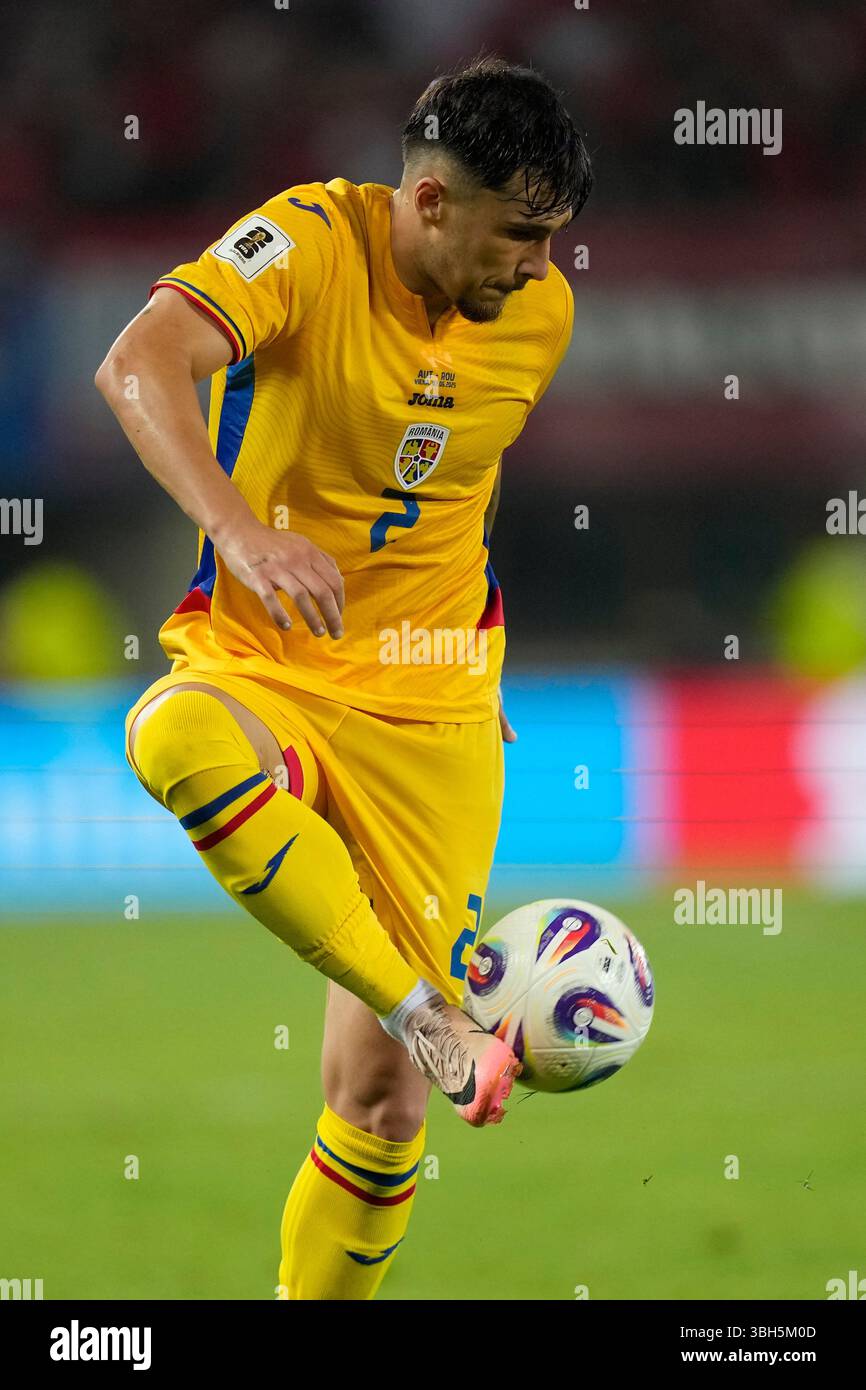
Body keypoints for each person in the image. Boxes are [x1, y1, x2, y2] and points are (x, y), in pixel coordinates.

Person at [95, 53, 592, 1300]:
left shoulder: (537, 317)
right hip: (266, 651)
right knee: (174, 740)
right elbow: (137, 366)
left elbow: (435, 495)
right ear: (428, 202)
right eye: (521, 234)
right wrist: (243, 532)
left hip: (431, 705)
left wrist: (461, 665)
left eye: (554, 239)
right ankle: (422, 1001)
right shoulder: (307, 241)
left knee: (378, 1107)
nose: (538, 266)